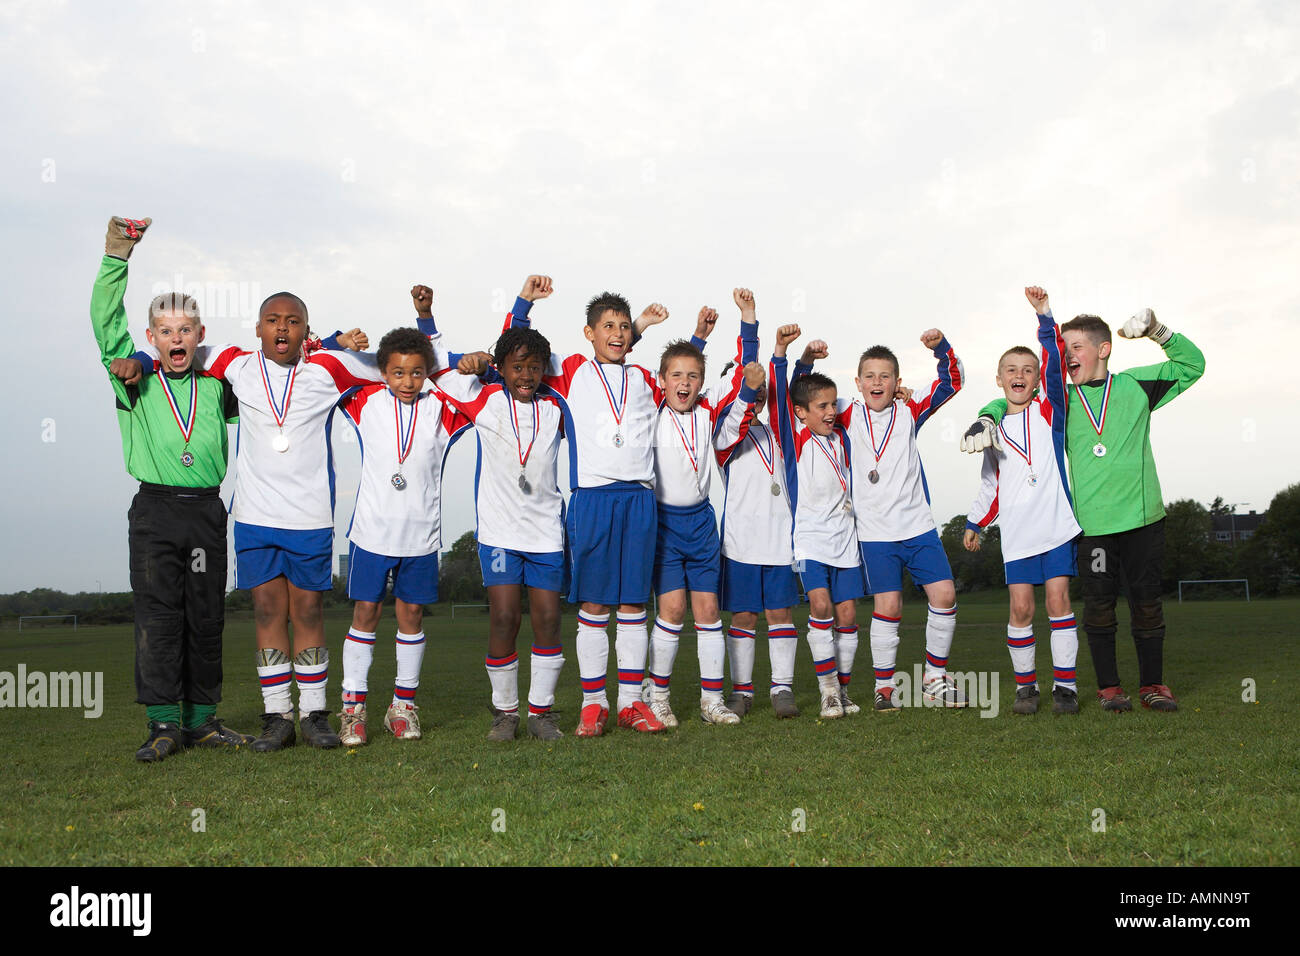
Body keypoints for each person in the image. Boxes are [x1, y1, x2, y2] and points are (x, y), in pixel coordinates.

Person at [123, 292, 388, 751]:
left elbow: (395, 362)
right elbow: (175, 349)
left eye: (292, 322)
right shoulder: (236, 365)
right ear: (259, 330)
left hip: (309, 517)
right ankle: (277, 716)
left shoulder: (328, 370)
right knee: (267, 612)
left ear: (306, 332)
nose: (281, 328)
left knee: (307, 611)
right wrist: (139, 359)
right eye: (272, 320)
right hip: (253, 516)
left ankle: (314, 714)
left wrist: (464, 359)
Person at [961, 296, 1205, 712]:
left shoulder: (1136, 386)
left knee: (1147, 604)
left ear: (1102, 349)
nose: (1068, 354)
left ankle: (1153, 686)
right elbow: (1011, 402)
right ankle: (1109, 689)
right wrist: (987, 413)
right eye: (1064, 348)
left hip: (1144, 519)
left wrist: (1157, 331)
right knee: (1099, 608)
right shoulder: (1061, 404)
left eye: (1075, 346)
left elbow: (1192, 366)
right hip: (1091, 527)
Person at [92, 215, 254, 761]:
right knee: (159, 616)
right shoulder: (131, 378)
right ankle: (163, 725)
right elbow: (104, 322)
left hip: (207, 512)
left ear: (200, 336)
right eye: (165, 332)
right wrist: (118, 256)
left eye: (186, 330)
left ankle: (203, 721)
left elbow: (271, 372)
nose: (176, 339)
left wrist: (327, 341)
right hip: (156, 512)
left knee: (205, 615)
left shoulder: (216, 385)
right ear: (151, 338)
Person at [502, 289, 676, 736]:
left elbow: (681, 385)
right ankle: (593, 703)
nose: (617, 335)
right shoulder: (572, 371)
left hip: (639, 497)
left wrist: (657, 331)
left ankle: (631, 704)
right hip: (593, 499)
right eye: (608, 327)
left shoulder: (641, 377)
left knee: (635, 603)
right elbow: (516, 350)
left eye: (623, 327)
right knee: (595, 605)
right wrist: (523, 302)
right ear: (588, 334)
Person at [432, 275, 569, 742]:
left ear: (544, 370)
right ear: (502, 369)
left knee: (548, 617)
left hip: (547, 531)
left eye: (534, 367)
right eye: (516, 367)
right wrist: (470, 363)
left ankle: (542, 713)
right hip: (498, 532)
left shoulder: (556, 408)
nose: (525, 375)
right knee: (505, 617)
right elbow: (437, 376)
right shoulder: (483, 399)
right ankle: (505, 713)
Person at [335, 303, 477, 746]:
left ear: (427, 373)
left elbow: (478, 385)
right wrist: (336, 339)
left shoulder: (442, 410)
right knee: (365, 614)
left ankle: (403, 707)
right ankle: (353, 708)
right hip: (372, 532)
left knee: (411, 616)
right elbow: (316, 362)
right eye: (397, 373)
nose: (407, 381)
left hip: (420, 535)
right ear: (382, 372)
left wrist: (453, 359)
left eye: (417, 373)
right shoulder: (362, 401)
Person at [828, 330, 965, 712]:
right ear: (857, 383)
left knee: (945, 595)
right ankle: (884, 689)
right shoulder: (845, 412)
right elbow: (805, 401)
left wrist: (941, 347)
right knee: (888, 605)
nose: (877, 382)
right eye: (869, 376)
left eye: (885, 376)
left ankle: (934, 680)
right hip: (873, 533)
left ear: (897, 383)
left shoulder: (910, 409)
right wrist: (806, 359)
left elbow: (952, 382)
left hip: (918, 526)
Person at [962, 286, 1081, 715]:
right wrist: (975, 524)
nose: (1020, 374)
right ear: (999, 379)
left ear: (1034, 380)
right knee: (1021, 606)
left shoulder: (1050, 411)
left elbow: (1054, 368)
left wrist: (1045, 317)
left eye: (1027, 370)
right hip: (1016, 532)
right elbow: (991, 486)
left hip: (1055, 526)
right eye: (1011, 369)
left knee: (1057, 602)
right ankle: (1026, 688)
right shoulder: (989, 429)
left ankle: (1065, 688)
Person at [644, 306, 762, 728]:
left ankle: (712, 702)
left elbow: (745, 377)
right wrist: (698, 336)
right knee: (672, 610)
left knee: (709, 611)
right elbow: (677, 368)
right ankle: (657, 696)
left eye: (693, 377)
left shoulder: (708, 414)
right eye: (676, 376)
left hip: (701, 524)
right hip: (663, 525)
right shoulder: (653, 411)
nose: (685, 383)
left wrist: (749, 319)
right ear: (661, 382)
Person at [770, 325, 864, 719]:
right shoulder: (795, 438)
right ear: (801, 414)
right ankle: (826, 691)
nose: (829, 412)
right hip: (810, 538)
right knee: (820, 606)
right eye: (821, 407)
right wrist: (788, 354)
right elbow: (783, 393)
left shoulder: (842, 436)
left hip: (846, 537)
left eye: (832, 405)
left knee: (847, 616)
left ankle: (842, 691)